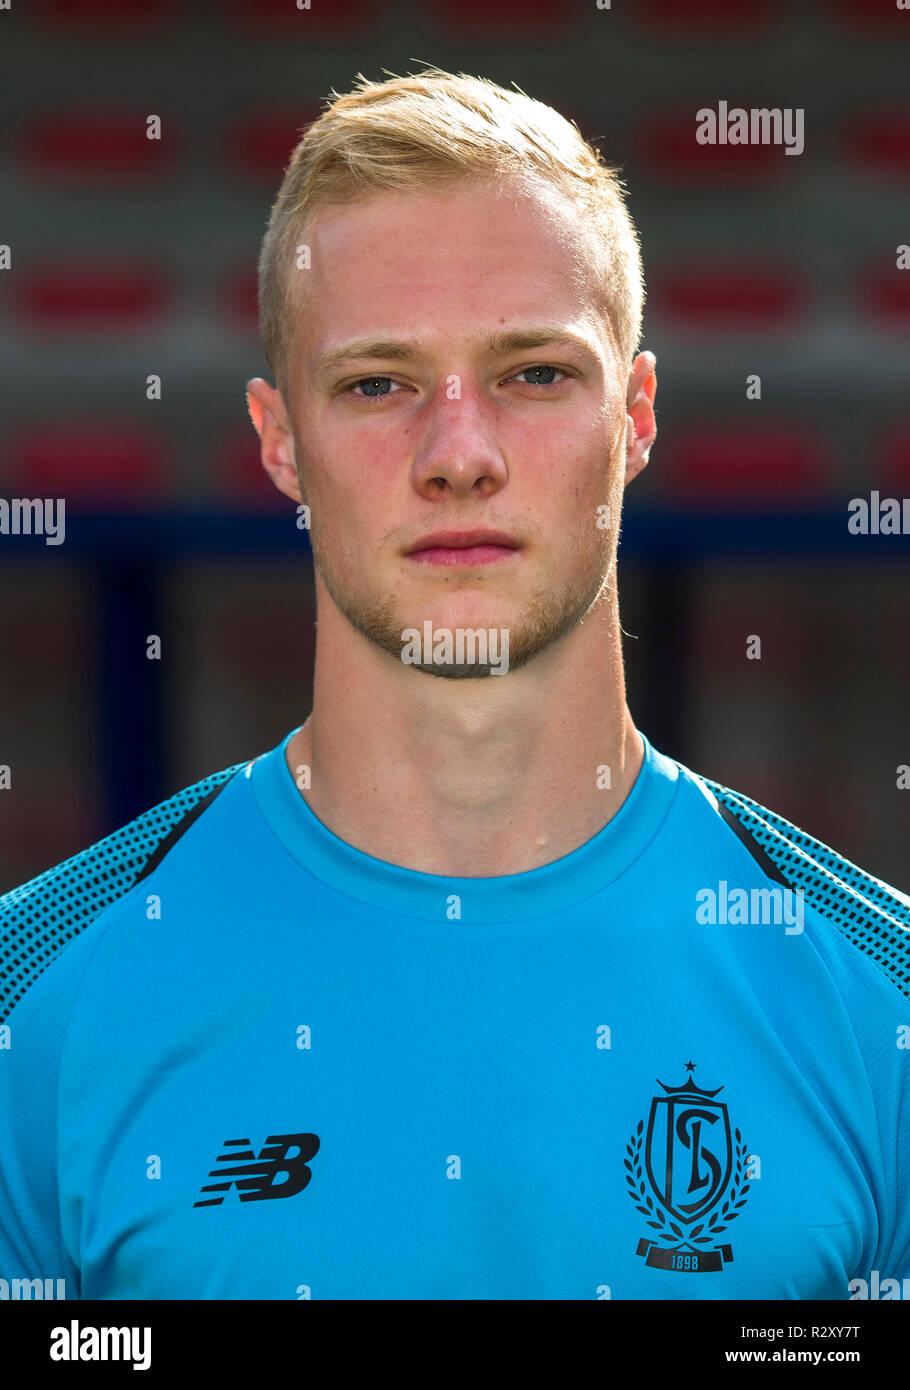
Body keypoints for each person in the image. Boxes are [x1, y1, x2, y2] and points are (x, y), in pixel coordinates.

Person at [1, 68, 908, 1302]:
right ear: (279, 440)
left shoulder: (878, 1001)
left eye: (533, 373)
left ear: (636, 415)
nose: (459, 455)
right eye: (378, 384)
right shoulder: (37, 1002)